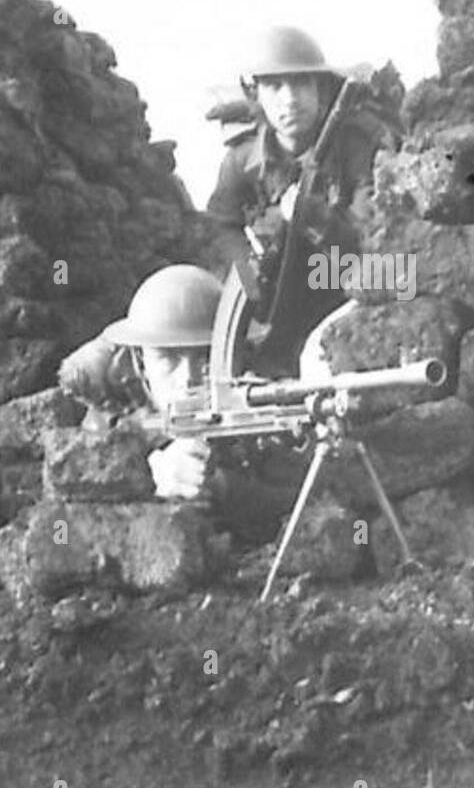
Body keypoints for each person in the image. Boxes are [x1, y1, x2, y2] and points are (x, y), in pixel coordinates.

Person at [58, 263, 302, 535]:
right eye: (169, 358)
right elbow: (86, 518)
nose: (189, 377)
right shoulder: (110, 421)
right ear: (139, 362)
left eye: (205, 357)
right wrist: (147, 479)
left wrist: (224, 487)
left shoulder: (259, 405)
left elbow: (305, 496)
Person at [205, 26, 384, 372]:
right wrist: (247, 273)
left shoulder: (356, 147)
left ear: (319, 89)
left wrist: (314, 216)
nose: (290, 98)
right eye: (275, 86)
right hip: (272, 307)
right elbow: (217, 227)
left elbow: (372, 240)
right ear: (257, 94)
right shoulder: (241, 162)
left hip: (339, 292)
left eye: (301, 83)